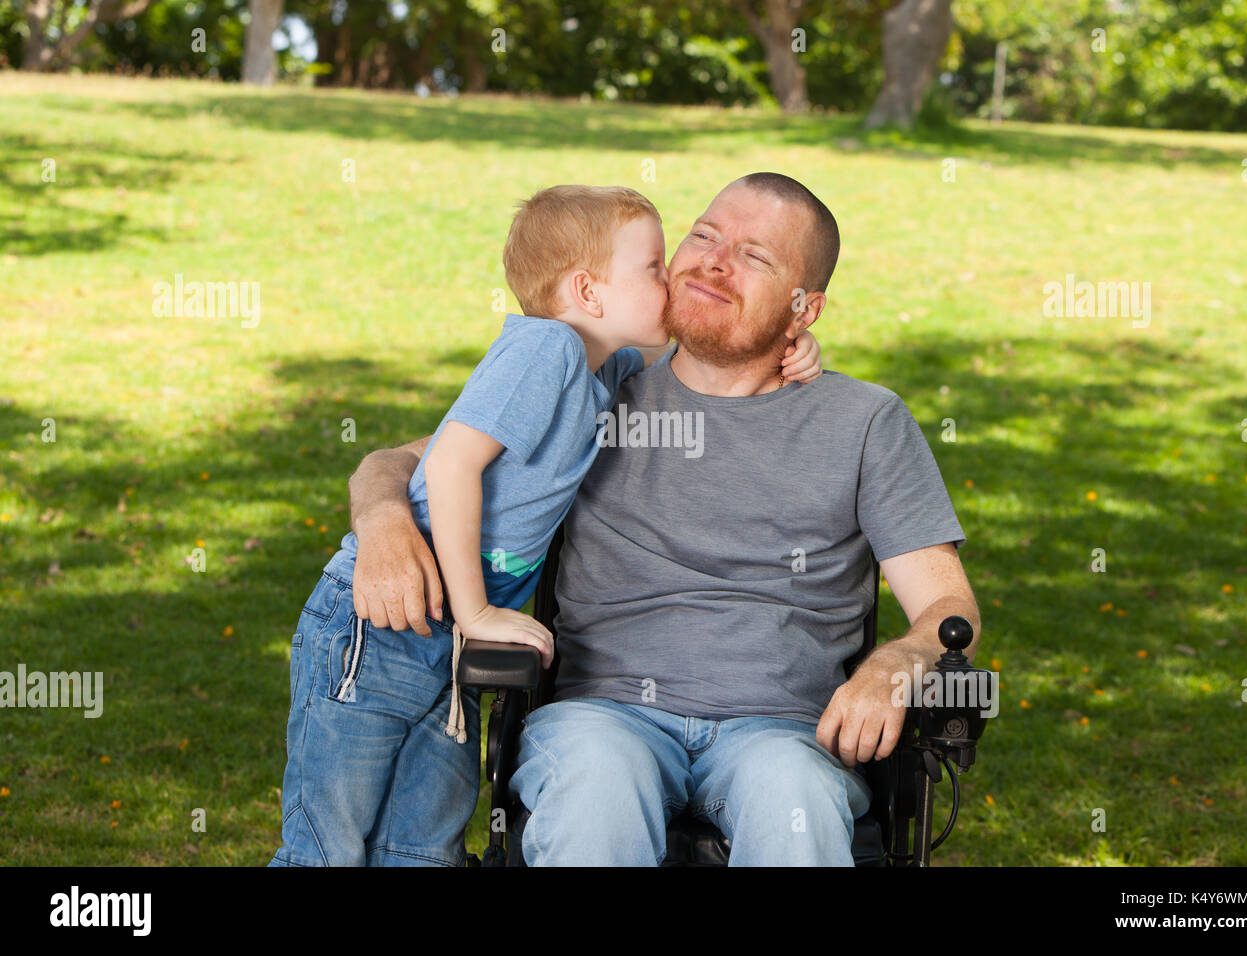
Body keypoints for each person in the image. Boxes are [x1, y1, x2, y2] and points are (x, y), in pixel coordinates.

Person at [345, 172, 980, 866]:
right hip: (603, 716)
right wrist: (384, 525)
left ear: (805, 309)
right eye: (705, 235)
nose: (714, 259)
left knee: (794, 797)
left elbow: (951, 611)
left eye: (754, 256)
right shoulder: (592, 384)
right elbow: (404, 460)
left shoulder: (866, 423)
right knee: (595, 787)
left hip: (784, 733)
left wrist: (897, 665)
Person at [269, 183, 823, 867]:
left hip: (446, 645)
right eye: (653, 269)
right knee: (327, 847)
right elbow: (447, 468)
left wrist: (789, 346)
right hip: (382, 623)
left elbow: (703, 353)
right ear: (590, 294)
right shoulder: (546, 353)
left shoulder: (602, 365)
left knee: (419, 849)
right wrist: (475, 612)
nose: (672, 279)